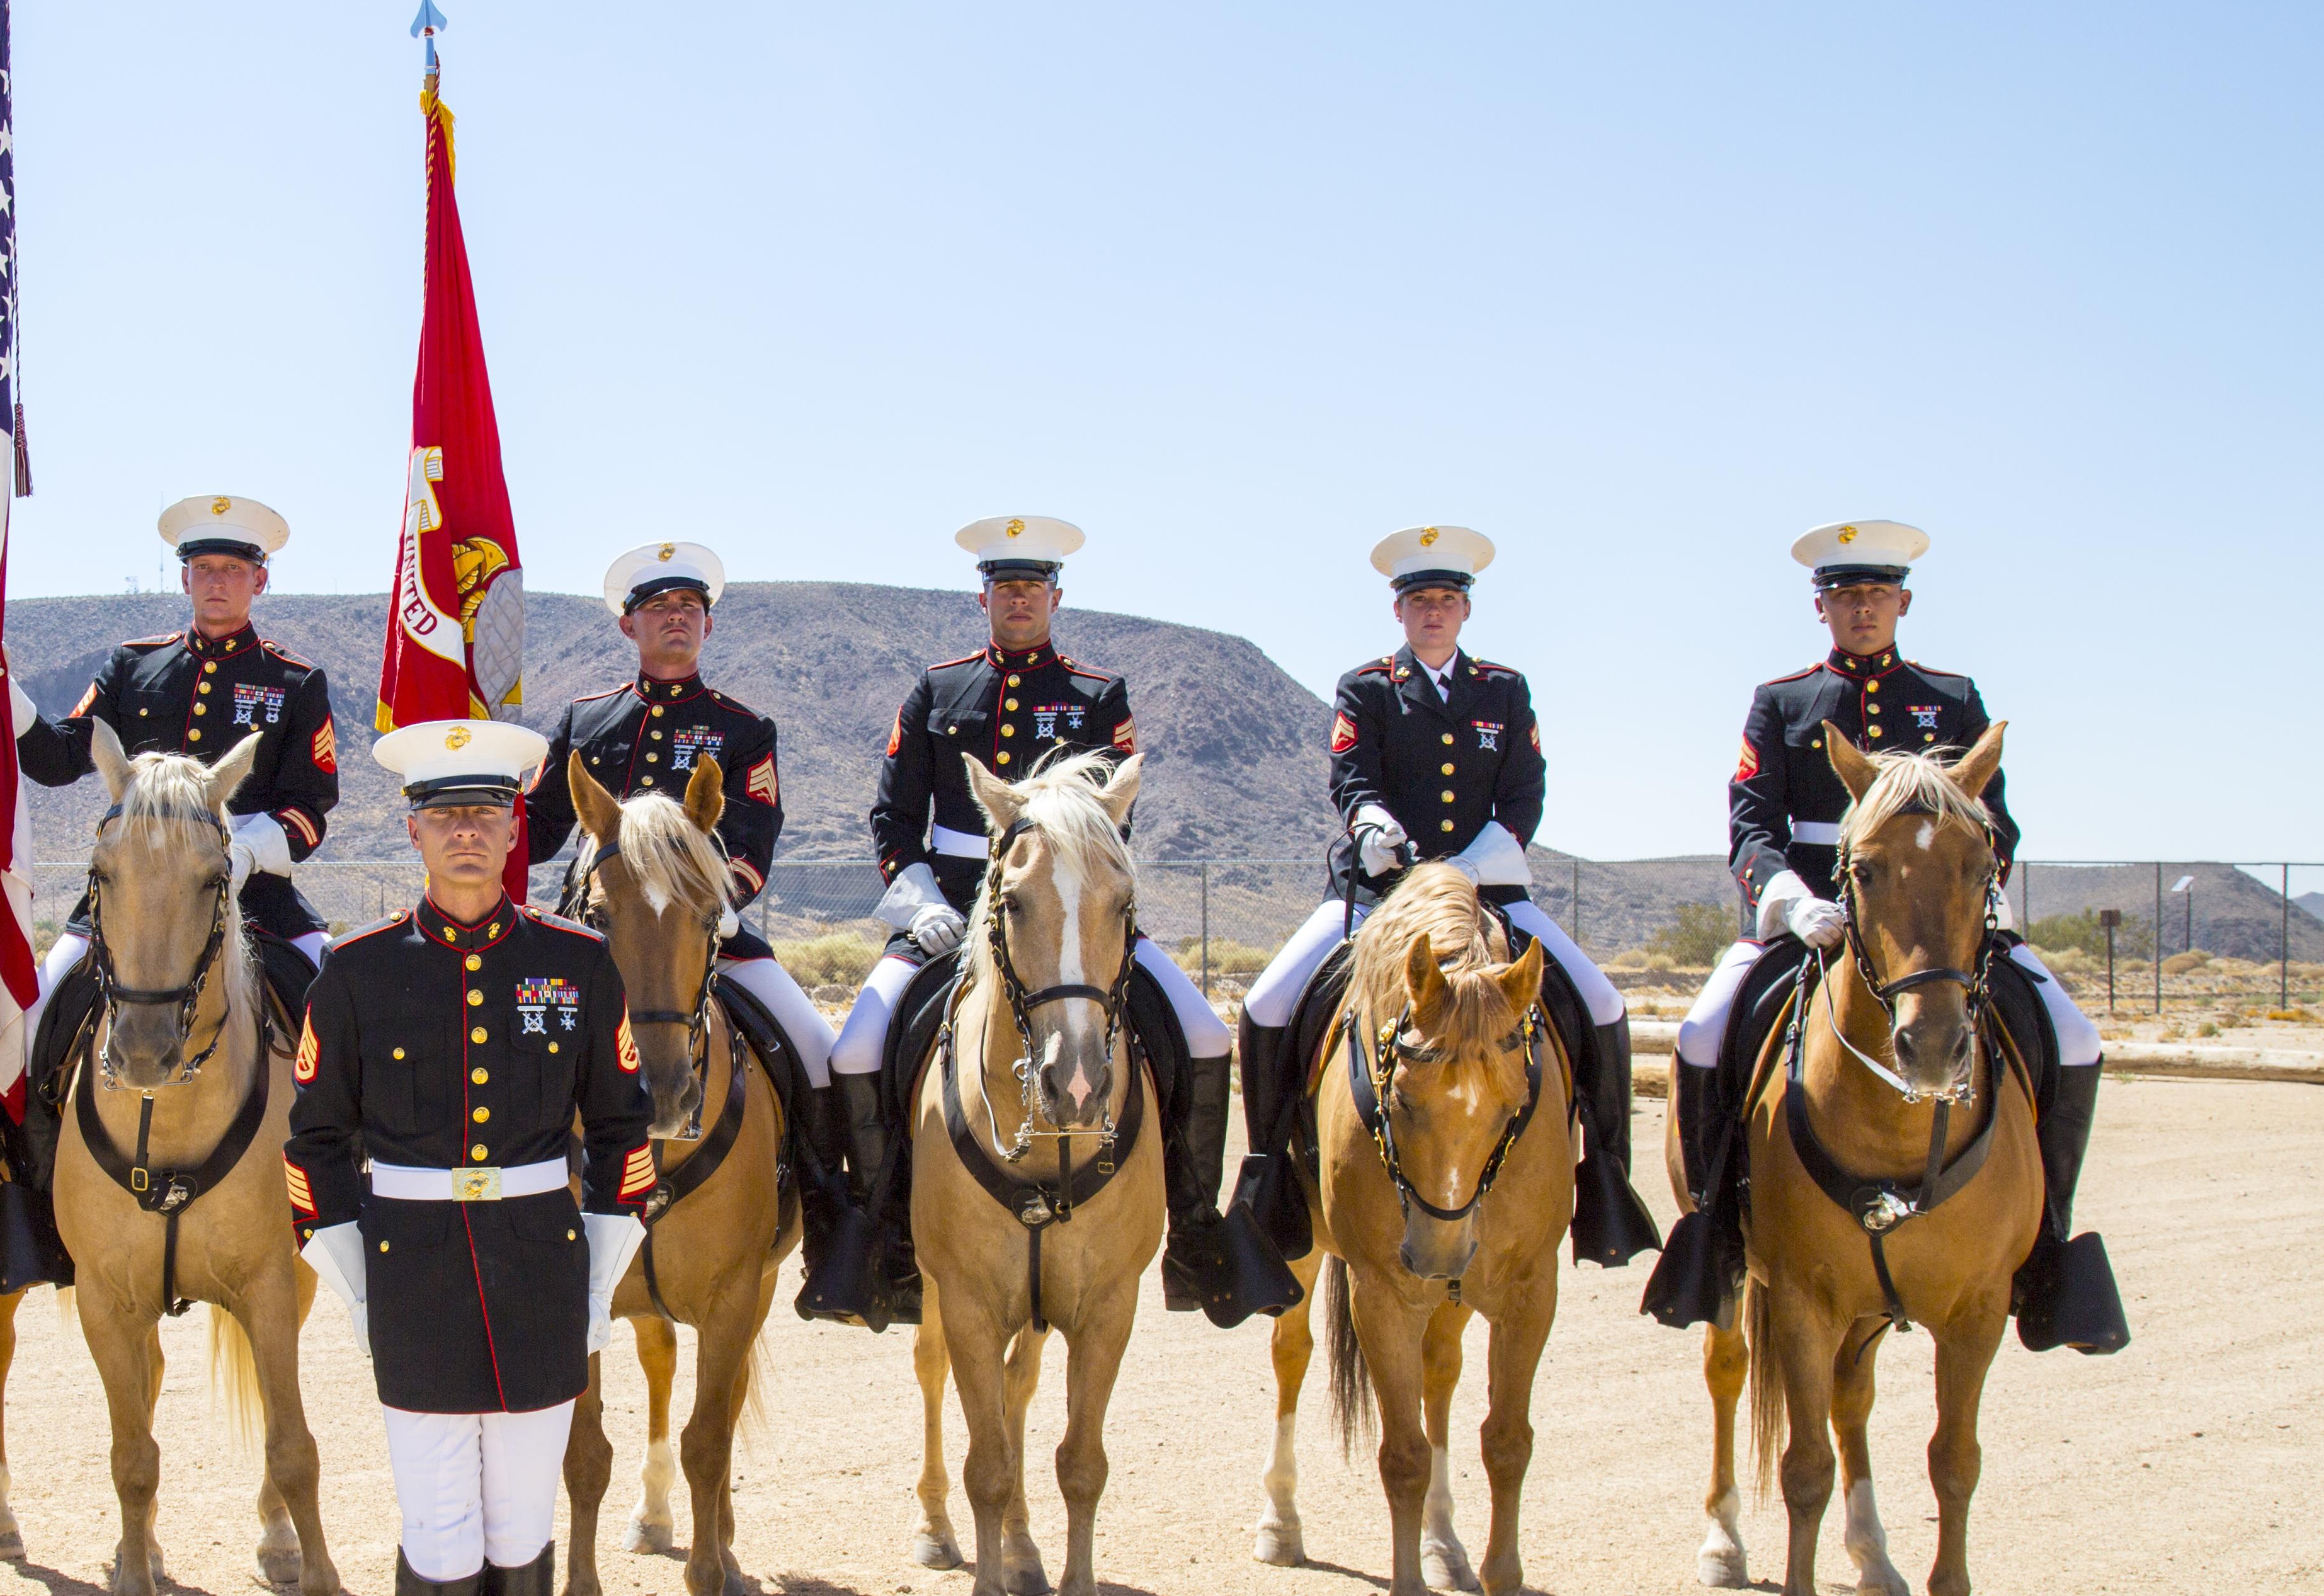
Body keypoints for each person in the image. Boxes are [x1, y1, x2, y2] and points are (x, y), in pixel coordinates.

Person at [285, 719, 654, 1596]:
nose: (464, 833)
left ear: (512, 829)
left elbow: (626, 1137)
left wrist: (599, 1283)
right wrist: (356, 1290)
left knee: (521, 1532)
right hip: (418, 1276)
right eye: (443, 817)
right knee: (439, 1534)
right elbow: (314, 1148)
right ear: (411, 832)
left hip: (541, 1269)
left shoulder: (579, 963)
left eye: (485, 815)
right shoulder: (355, 972)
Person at [1645, 520, 2124, 1351]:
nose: (1861, 609)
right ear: (1821, 606)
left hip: (1933, 928)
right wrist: (1791, 902)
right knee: (1701, 1031)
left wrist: (1980, 897)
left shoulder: (1953, 697)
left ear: (1903, 601)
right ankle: (1715, 1235)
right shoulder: (1783, 701)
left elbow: (1995, 822)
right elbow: (1751, 826)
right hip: (1812, 920)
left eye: (1876, 595)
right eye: (1844, 595)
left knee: (2074, 1038)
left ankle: (2047, 1250)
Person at [814, 515, 1251, 1323]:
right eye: (1004, 588)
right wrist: (923, 904)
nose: (1018, 600)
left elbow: (1117, 820)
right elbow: (893, 816)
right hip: (948, 912)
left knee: (1203, 1033)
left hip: (1074, 917)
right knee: (854, 1047)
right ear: (983, 597)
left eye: (1033, 588)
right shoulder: (939, 690)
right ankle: (882, 1237)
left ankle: (1195, 1228)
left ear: (1056, 596)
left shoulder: (1095, 696)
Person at [1231, 525, 1657, 1267]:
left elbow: (1527, 787)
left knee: (1604, 1006)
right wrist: (1370, 821)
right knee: (1268, 1005)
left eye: (1447, 601)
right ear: (1399, 612)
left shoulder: (1504, 689)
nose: (1434, 612)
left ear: (1465, 612)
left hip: (1488, 890)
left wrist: (1490, 849)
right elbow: (1351, 775)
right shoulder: (1366, 688)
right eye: (1420, 601)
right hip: (1383, 895)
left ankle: (1607, 1183)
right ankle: (1271, 1182)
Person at [0, 493, 343, 1290]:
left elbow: (313, 807)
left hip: (256, 895)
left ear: (260, 580)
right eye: (204, 568)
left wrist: (248, 852)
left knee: (343, 1008)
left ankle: (347, 1206)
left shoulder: (293, 680)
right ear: (184, 579)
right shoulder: (133, 666)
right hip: (128, 905)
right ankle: (33, 1210)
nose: (218, 582)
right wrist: (1, 690)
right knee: (33, 1016)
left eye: (234, 570)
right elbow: (53, 757)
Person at [520, 540, 860, 1300]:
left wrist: (717, 910)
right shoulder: (586, 721)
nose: (676, 620)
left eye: (689, 610)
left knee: (817, 1053)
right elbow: (538, 834)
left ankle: (838, 1232)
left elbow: (754, 836)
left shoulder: (742, 729)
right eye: (658, 610)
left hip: (713, 932)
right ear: (627, 628)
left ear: (707, 626)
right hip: (593, 938)